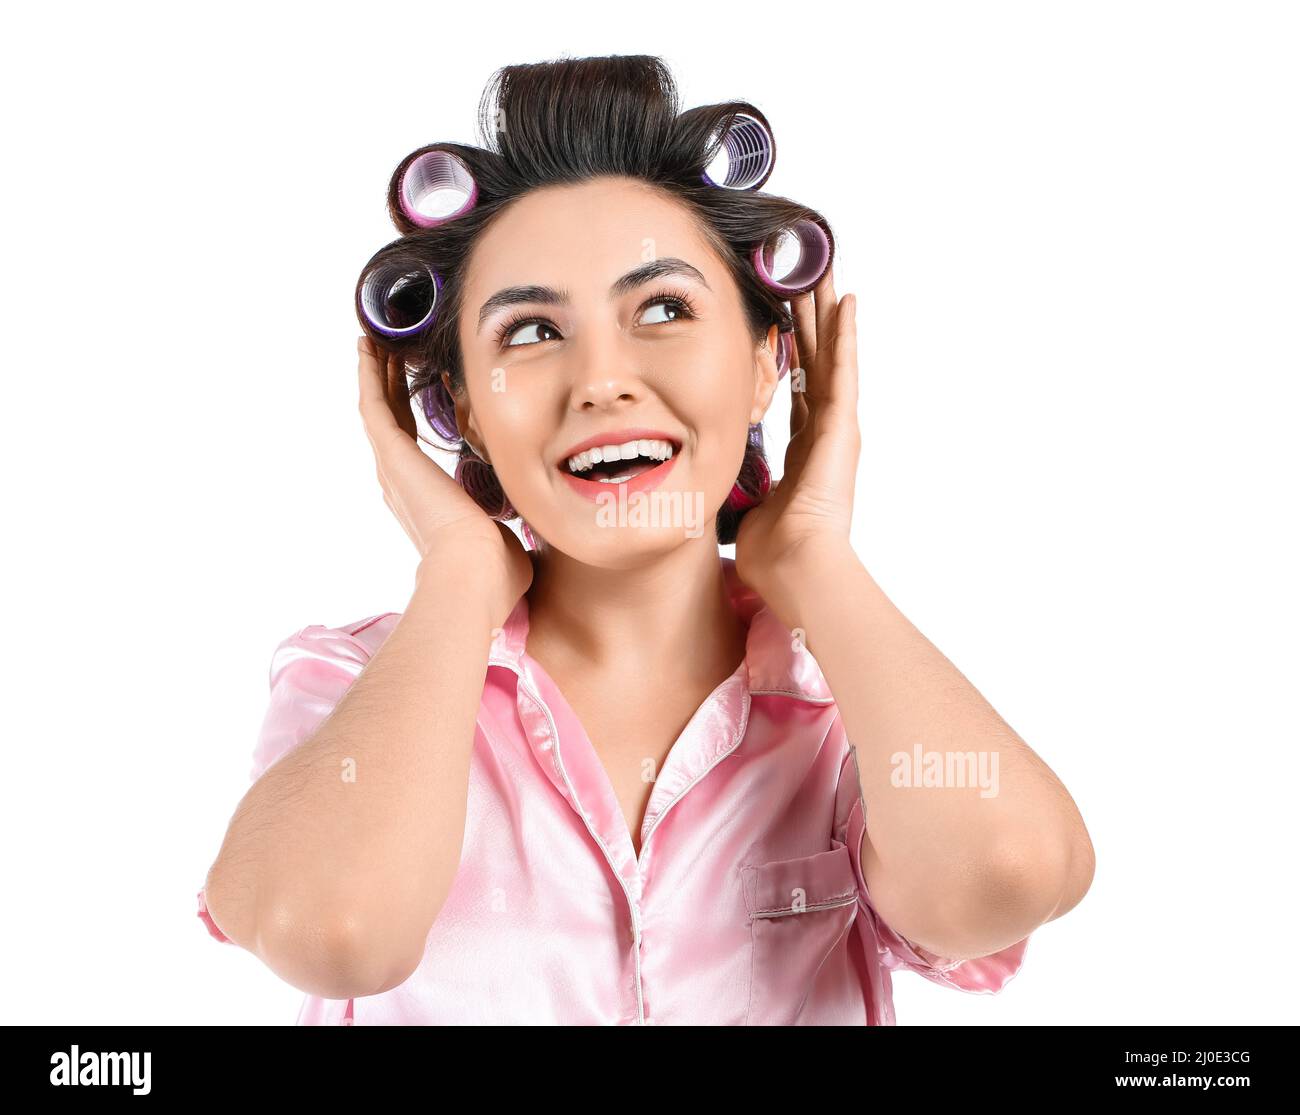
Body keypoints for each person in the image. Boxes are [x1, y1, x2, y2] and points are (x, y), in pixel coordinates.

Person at [196, 54, 1094, 1025]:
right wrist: (458, 574)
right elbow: (330, 926)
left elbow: (1012, 869)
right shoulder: (353, 685)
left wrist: (813, 558)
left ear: (766, 362)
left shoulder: (851, 708)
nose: (602, 381)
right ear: (459, 407)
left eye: (662, 309)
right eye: (531, 332)